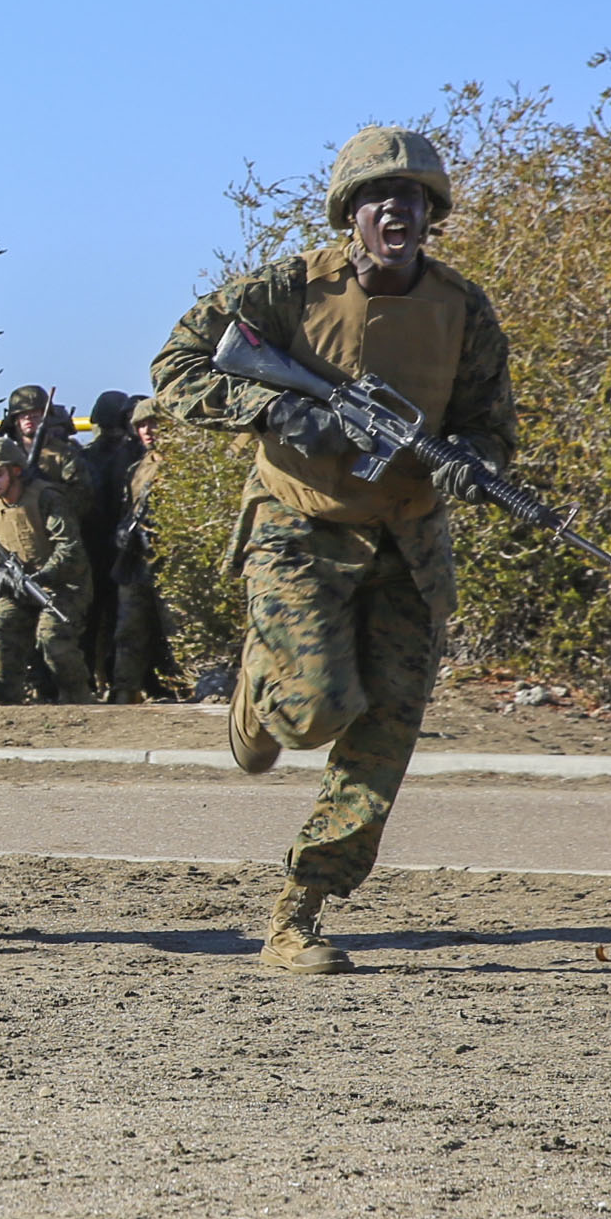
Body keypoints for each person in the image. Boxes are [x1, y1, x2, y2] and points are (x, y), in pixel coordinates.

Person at [150, 127, 515, 973]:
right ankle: (257, 694)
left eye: (414, 198)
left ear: (433, 213)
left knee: (383, 737)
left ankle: (298, 910)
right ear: (350, 213)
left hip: (409, 544)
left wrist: (478, 467)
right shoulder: (285, 289)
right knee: (313, 707)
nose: (397, 210)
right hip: (298, 526)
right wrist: (274, 411)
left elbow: (489, 428)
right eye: (378, 198)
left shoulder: (462, 307)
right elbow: (176, 365)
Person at [0, 435, 94, 704]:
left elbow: (70, 548)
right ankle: (1, 694)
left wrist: (42, 576)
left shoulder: (47, 498)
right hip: (17, 588)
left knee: (52, 637)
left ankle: (78, 696)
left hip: (65, 586)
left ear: (15, 471)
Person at [106, 397, 177, 703]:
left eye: (153, 423)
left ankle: (196, 685)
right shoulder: (138, 468)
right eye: (141, 425)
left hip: (174, 559)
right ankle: (125, 687)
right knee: (129, 627)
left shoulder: (182, 462)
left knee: (179, 626)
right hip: (139, 558)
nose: (147, 431)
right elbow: (128, 508)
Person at [79, 389, 140, 695]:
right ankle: (94, 676)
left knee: (120, 617)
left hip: (119, 545)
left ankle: (116, 679)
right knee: (95, 617)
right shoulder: (86, 457)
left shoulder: (133, 456)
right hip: (96, 545)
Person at [0, 384, 83, 487]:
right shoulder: (6, 455)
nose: (28, 418)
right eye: (23, 413)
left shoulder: (65, 454)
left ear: (45, 416)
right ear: (15, 419)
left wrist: (45, 485)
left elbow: (80, 494)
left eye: (34, 413)